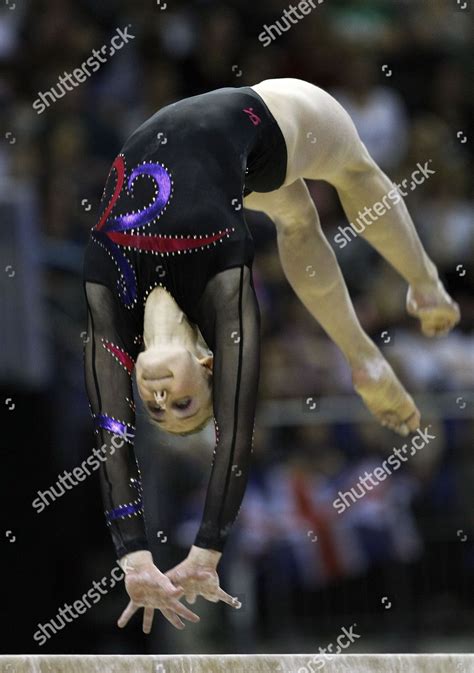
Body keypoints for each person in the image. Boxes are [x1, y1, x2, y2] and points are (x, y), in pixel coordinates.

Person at [82, 78, 460, 634]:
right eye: (184, 402)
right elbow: (236, 431)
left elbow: (112, 434)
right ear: (209, 367)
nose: (161, 398)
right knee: (341, 182)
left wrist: (134, 557)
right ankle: (406, 307)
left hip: (221, 150)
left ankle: (385, 327)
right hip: (269, 116)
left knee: (306, 212)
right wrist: (208, 550)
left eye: (157, 408)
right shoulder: (221, 284)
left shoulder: (108, 294)